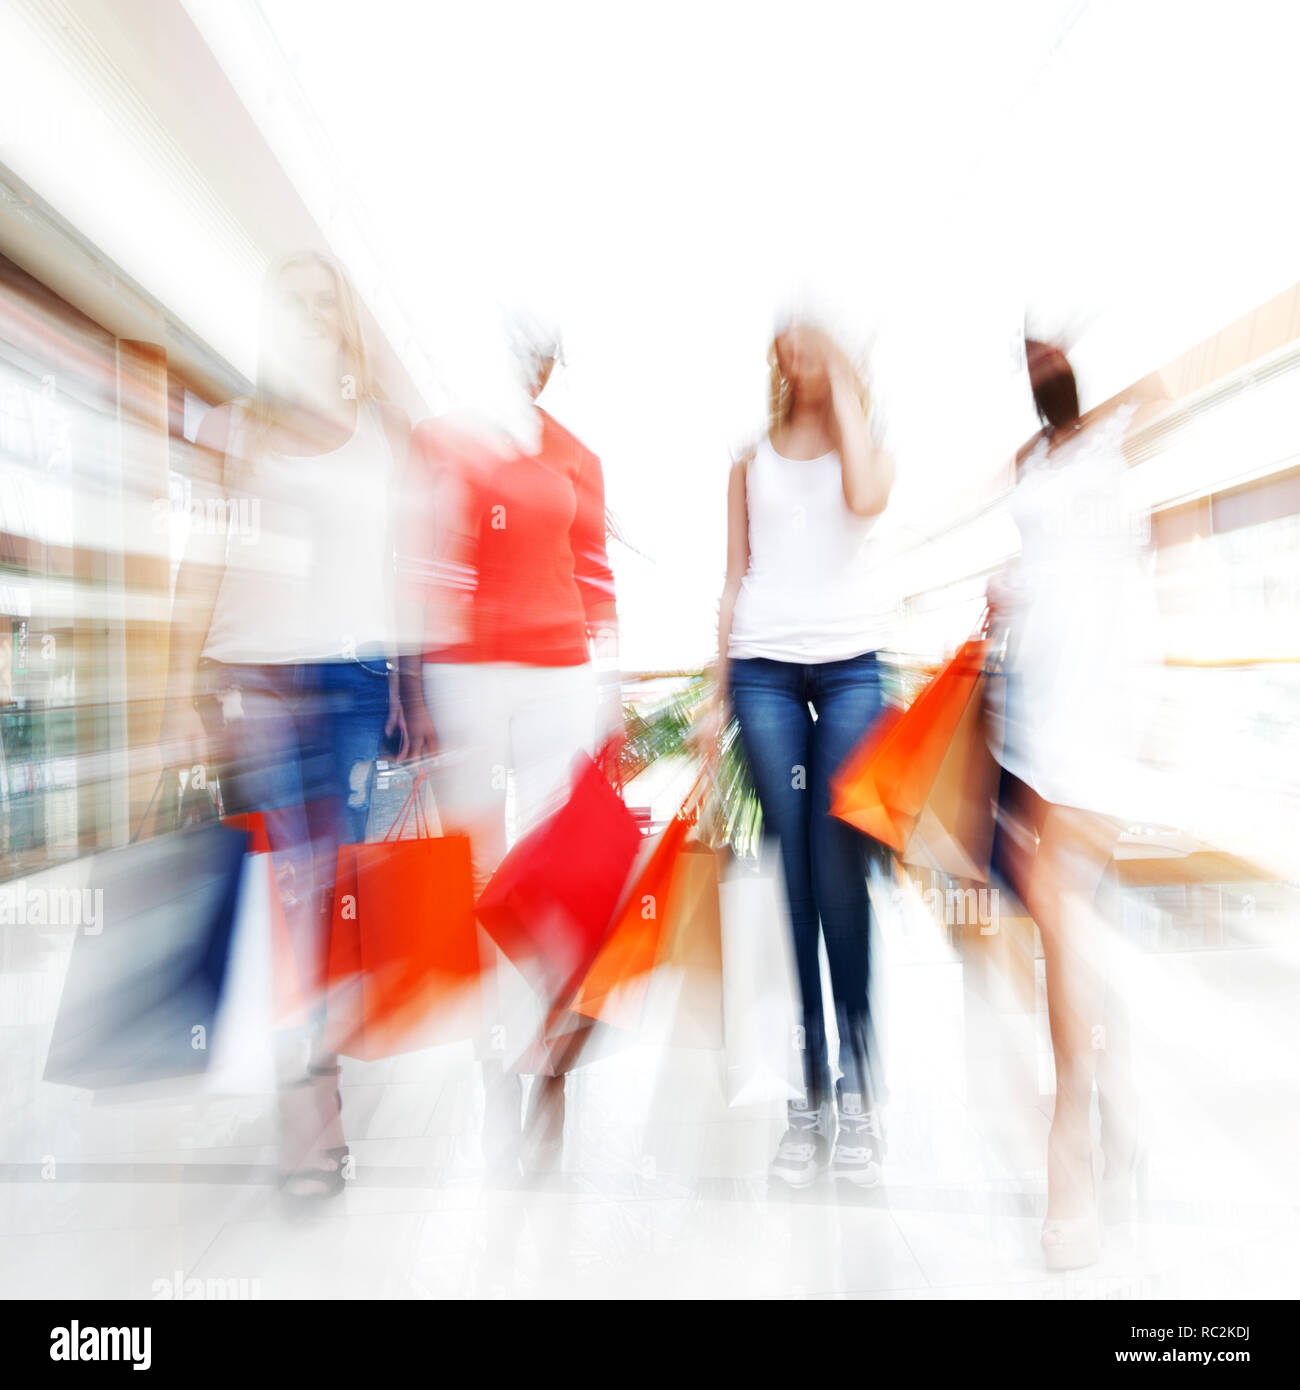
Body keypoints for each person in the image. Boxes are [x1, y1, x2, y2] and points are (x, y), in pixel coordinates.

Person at [160, 250, 411, 1200]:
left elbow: (398, 566)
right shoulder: (234, 428)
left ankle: (314, 1073)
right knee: (294, 884)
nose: (309, 319)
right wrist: (180, 692)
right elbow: (206, 555)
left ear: (345, 325)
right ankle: (311, 1100)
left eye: (323, 304)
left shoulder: (381, 436)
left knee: (334, 880)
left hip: (351, 681)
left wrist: (405, 688)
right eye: (292, 305)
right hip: (251, 680)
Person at [399, 314, 621, 1175]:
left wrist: (612, 697)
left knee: (555, 858)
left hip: (560, 673)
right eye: (519, 350)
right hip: (466, 675)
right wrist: (413, 683)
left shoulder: (576, 457)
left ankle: (558, 1027)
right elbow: (423, 563)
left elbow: (596, 575)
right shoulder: (444, 442)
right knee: (479, 868)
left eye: (543, 355)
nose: (531, 368)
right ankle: (497, 1040)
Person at [695, 317, 895, 1187]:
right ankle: (806, 1091)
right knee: (795, 880)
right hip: (765, 672)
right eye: (786, 334)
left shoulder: (863, 441)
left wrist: (845, 384)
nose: (796, 347)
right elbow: (734, 578)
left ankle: (859, 1085)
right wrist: (713, 697)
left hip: (852, 668)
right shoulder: (747, 459)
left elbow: (866, 498)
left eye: (814, 332)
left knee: (839, 868)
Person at [988, 337, 1164, 1269]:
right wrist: (1006, 595)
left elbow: (1131, 554)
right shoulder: (1031, 459)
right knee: (1059, 912)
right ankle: (1115, 1097)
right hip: (1035, 696)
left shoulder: (1121, 425)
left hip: (1100, 692)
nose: (1038, 357)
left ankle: (1076, 1144)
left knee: (1058, 908)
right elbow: (1041, 559)